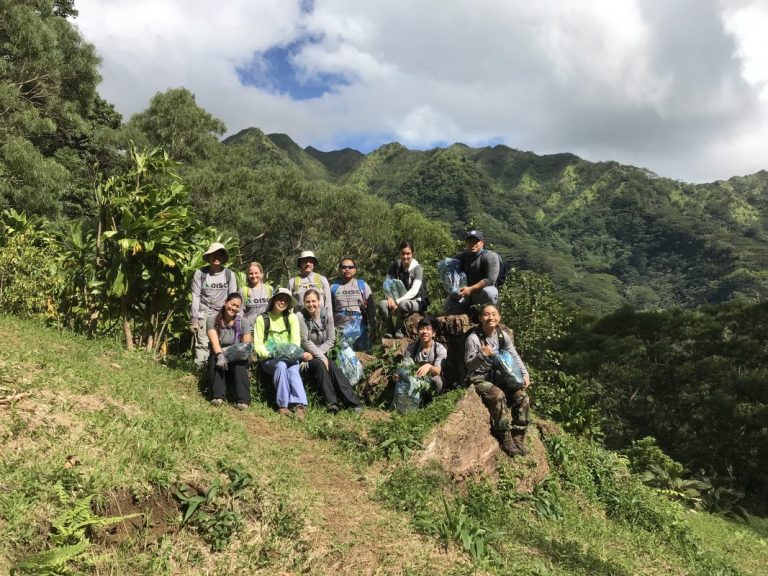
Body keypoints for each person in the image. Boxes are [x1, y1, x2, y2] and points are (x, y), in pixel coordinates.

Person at [465, 304, 531, 457]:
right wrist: (482, 354)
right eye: (486, 314)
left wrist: (524, 373)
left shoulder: (502, 335)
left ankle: (518, 436)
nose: (491, 317)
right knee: (498, 395)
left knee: (522, 397)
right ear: (481, 318)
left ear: (499, 317)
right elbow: (468, 365)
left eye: (494, 314)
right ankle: (505, 436)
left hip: (499, 376)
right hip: (479, 377)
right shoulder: (473, 338)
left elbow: (514, 355)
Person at [298, 289, 362, 414]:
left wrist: (320, 355)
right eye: (308, 302)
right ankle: (332, 403)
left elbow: (331, 339)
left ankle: (353, 403)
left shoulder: (326, 314)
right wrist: (321, 357)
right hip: (306, 357)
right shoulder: (300, 317)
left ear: (319, 301)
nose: (311, 304)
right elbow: (305, 341)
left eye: (313, 301)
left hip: (318, 354)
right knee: (320, 364)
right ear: (304, 303)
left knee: (332, 365)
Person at [253, 287, 308, 420]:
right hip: (269, 358)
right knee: (281, 366)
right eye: (280, 299)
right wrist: (270, 354)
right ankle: (283, 405)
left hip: (289, 356)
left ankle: (299, 406)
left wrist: (287, 353)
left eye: (286, 300)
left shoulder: (291, 318)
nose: (282, 302)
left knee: (294, 368)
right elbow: (258, 344)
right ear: (273, 300)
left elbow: (295, 342)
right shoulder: (262, 319)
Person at [190, 243, 238, 368]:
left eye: (219, 255)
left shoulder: (229, 274)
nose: (216, 257)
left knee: (221, 341)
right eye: (213, 255)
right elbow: (196, 295)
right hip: (203, 312)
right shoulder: (200, 273)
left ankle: (220, 369)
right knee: (202, 342)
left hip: (222, 313)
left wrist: (233, 318)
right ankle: (200, 370)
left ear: (223, 257)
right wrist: (194, 318)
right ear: (209, 257)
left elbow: (233, 297)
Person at [207, 292, 252, 410]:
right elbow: (214, 342)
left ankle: (243, 400)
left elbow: (246, 345)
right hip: (219, 354)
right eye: (232, 304)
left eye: (237, 306)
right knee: (214, 359)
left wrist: (235, 354)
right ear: (225, 302)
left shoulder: (243, 323)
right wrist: (220, 355)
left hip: (237, 356)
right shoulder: (212, 320)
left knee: (240, 365)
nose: (233, 308)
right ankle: (218, 396)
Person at [377, 240, 428, 338]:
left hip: (416, 302)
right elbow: (386, 284)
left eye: (408, 254)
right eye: (403, 253)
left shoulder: (418, 269)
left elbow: (414, 291)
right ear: (399, 253)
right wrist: (389, 297)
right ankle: (390, 329)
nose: (405, 257)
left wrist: (397, 302)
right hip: (398, 301)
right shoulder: (394, 266)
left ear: (413, 254)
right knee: (382, 304)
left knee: (403, 304)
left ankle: (399, 328)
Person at [443, 230, 501, 316]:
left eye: (476, 241)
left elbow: (490, 280)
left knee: (490, 292)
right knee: (449, 304)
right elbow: (452, 277)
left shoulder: (490, 256)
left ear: (482, 243)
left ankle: (488, 317)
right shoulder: (460, 257)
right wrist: (452, 289)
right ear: (466, 243)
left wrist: (470, 289)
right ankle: (467, 319)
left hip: (481, 292)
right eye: (470, 241)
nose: (472, 244)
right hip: (464, 293)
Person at [331, 257, 375, 350]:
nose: (347, 269)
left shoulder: (362, 285)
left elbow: (371, 308)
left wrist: (373, 329)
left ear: (355, 270)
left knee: (362, 357)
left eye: (350, 267)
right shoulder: (333, 287)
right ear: (340, 269)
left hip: (359, 331)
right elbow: (328, 311)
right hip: (339, 331)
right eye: (344, 267)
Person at [400, 317, 447, 394]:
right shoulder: (411, 348)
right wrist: (399, 374)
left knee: (438, 380)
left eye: (428, 329)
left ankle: (437, 401)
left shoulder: (439, 348)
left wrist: (429, 367)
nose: (424, 331)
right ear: (418, 332)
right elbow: (405, 367)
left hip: (432, 380)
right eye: (421, 329)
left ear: (434, 333)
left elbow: (438, 371)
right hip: (415, 380)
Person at [288, 250, 332, 317]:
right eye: (305, 261)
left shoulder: (322, 279)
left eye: (311, 261)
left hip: (320, 320)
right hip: (300, 320)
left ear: (314, 264)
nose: (308, 264)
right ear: (300, 264)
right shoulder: (292, 282)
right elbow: (288, 305)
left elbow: (328, 304)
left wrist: (329, 321)